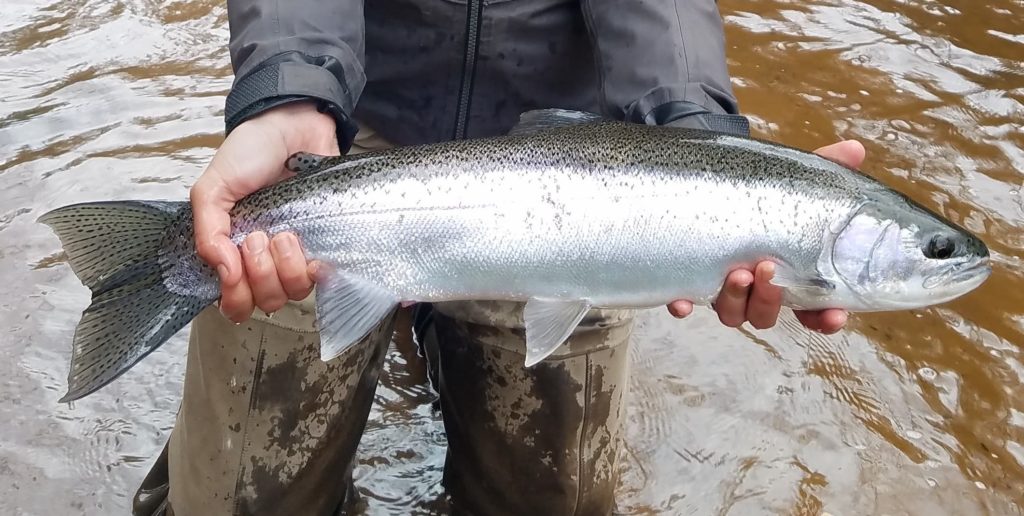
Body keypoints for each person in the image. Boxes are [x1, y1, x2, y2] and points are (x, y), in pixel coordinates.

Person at [132, 1, 861, 514]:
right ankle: (416, 331)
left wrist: (693, 131)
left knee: (553, 500)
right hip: (345, 127)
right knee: (238, 498)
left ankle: (429, 344)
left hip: (575, 181)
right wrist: (289, 89)